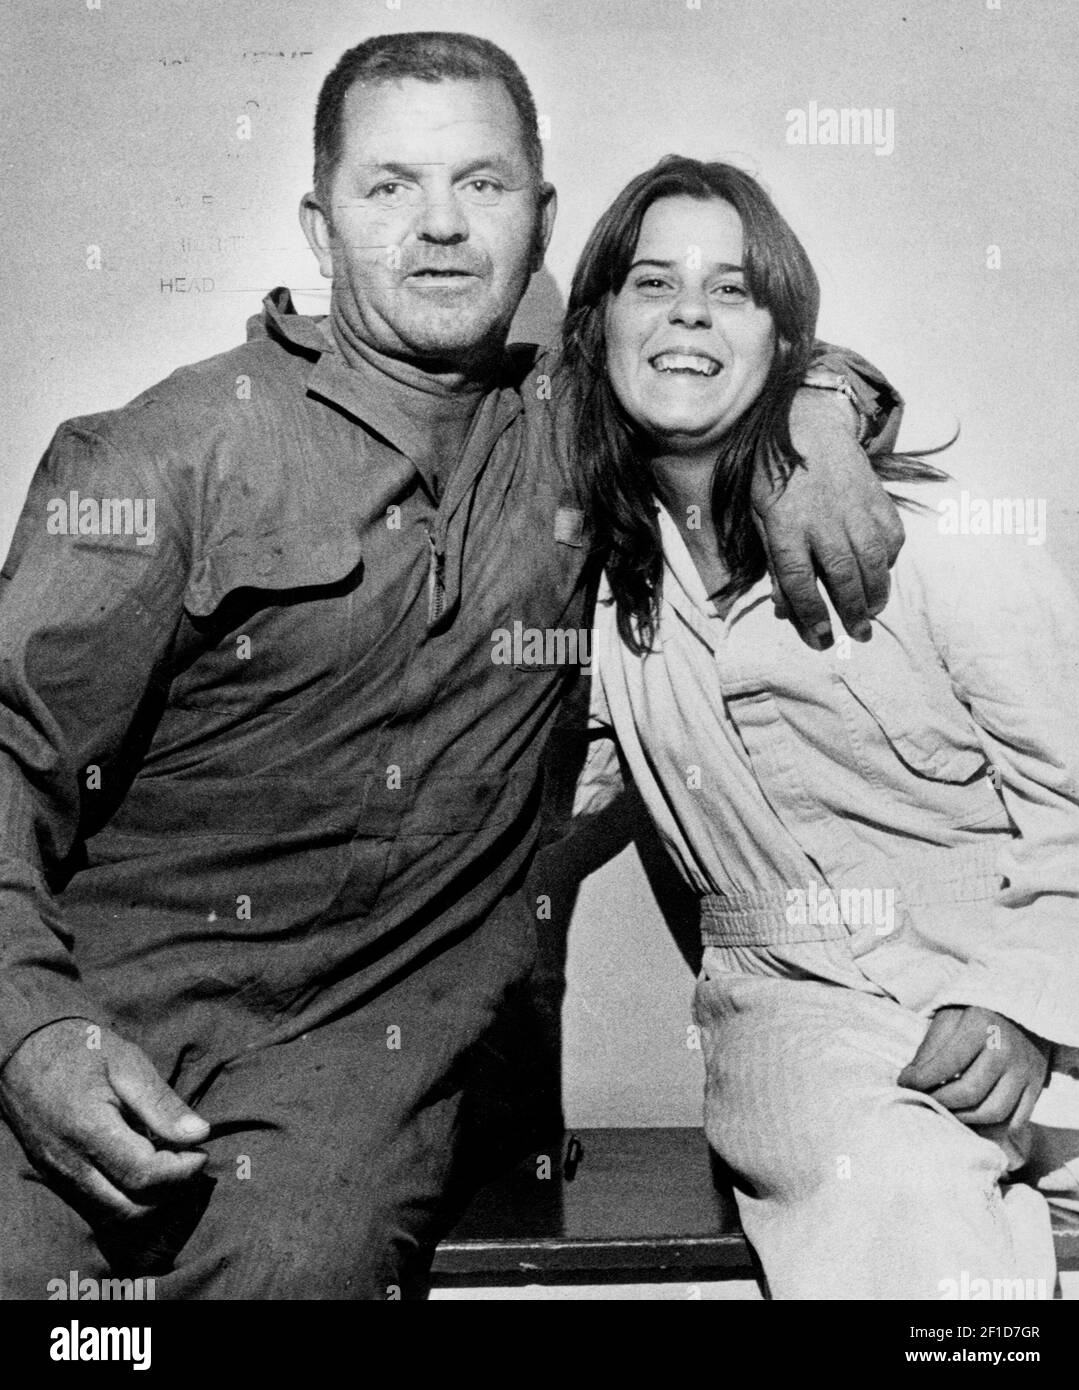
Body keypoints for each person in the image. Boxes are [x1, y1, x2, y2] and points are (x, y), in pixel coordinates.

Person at [0, 35, 902, 1299]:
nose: (438, 229)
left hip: (358, 1068)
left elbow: (734, 356)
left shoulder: (581, 430)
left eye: (480, 186)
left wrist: (821, 415)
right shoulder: (167, 457)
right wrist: (31, 1031)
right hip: (92, 1005)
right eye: (390, 188)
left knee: (293, 1271)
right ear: (320, 228)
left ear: (537, 224)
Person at [562, 155, 1079, 1300]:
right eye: (653, 283)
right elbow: (524, 812)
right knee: (894, 1190)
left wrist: (1021, 1003)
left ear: (784, 343)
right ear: (597, 325)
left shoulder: (944, 550)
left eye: (734, 288)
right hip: (798, 1012)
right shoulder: (600, 612)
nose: (691, 309)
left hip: (1042, 999)